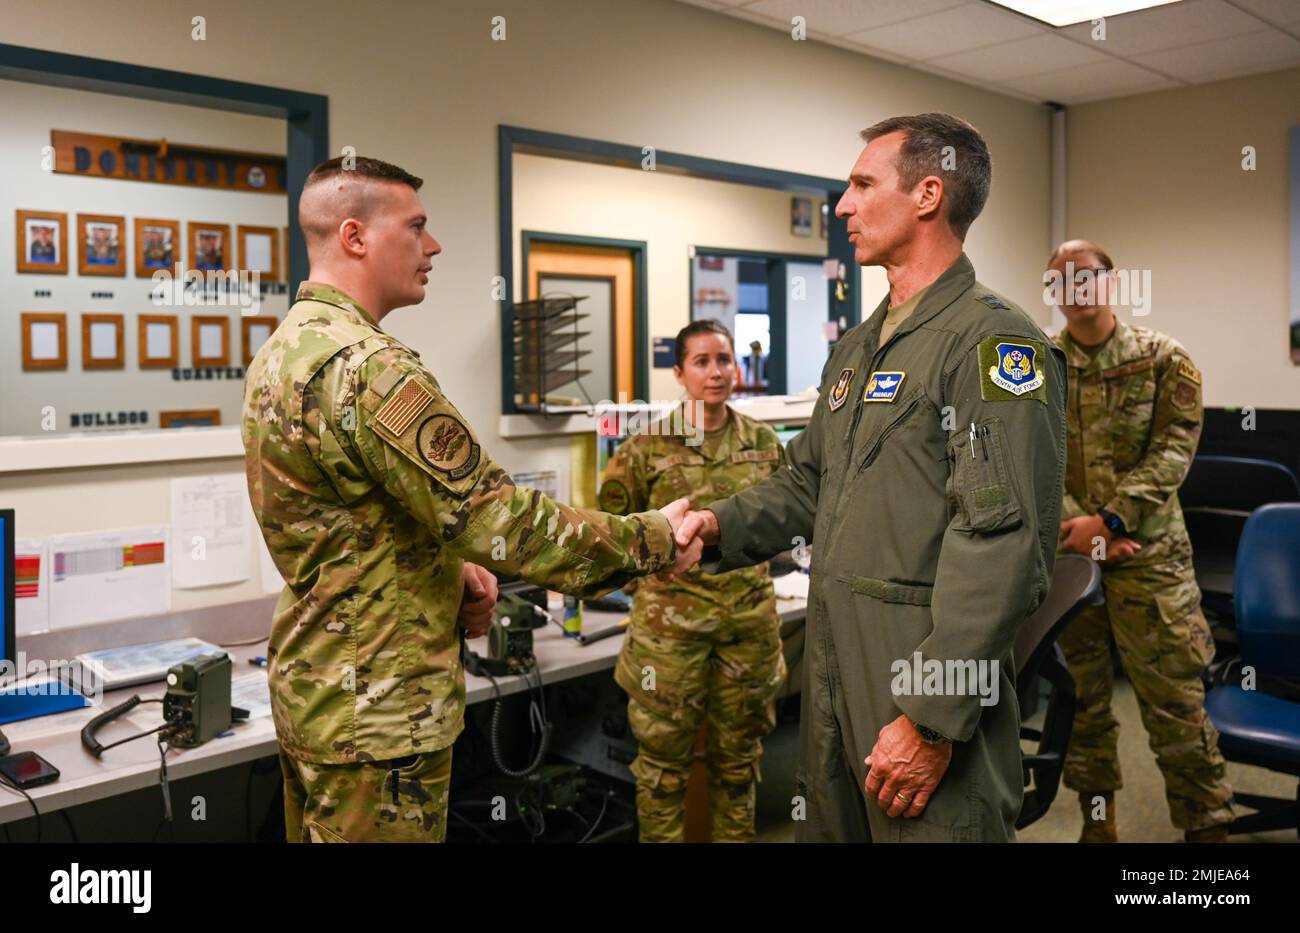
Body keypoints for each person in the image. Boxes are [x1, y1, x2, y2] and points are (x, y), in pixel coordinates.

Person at [242, 156, 701, 843]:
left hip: (319, 696)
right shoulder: (371, 367)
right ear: (355, 236)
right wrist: (652, 538)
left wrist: (447, 567)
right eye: (417, 227)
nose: (434, 247)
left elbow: (346, 521)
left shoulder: (281, 355)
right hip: (381, 715)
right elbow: (504, 521)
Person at [676, 113, 1066, 842]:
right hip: (835, 664)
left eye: (860, 184)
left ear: (926, 194)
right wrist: (718, 523)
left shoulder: (995, 343)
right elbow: (807, 481)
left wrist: (930, 716)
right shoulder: (858, 347)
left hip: (919, 676)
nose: (841, 206)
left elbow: (1003, 549)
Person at [1049, 239, 1233, 843]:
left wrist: (1111, 524)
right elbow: (1030, 458)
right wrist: (1085, 534)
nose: (1074, 291)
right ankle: (1098, 830)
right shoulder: (1035, 367)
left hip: (1149, 564)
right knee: (1082, 709)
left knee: (1176, 712)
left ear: (1112, 282)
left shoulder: (1163, 359)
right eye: (1060, 281)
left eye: (1084, 277)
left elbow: (1173, 455)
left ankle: (1207, 843)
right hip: (1072, 560)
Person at [598, 319, 787, 842]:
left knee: (739, 763)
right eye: (702, 362)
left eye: (725, 359)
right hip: (670, 638)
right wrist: (653, 594)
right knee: (662, 771)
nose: (716, 372)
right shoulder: (645, 449)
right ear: (680, 373)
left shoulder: (765, 443)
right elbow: (615, 540)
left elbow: (786, 520)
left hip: (747, 629)